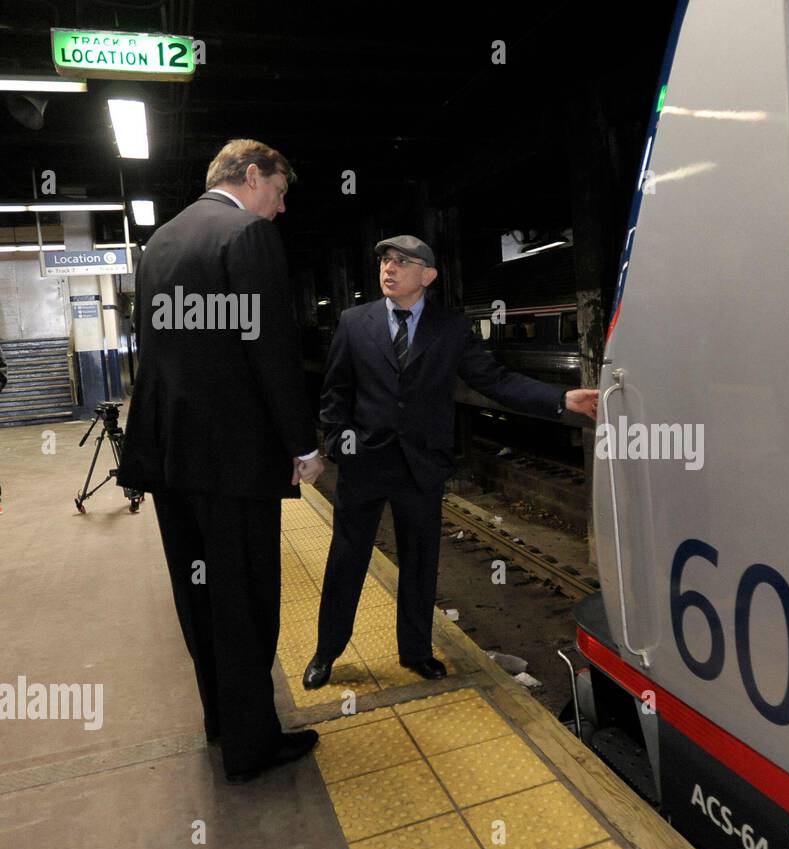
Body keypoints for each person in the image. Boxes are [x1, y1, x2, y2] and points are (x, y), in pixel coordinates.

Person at [116, 139, 325, 783]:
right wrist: (303, 444)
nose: (282, 208)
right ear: (252, 176)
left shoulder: (163, 242)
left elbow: (155, 351)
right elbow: (270, 351)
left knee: (199, 594)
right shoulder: (246, 235)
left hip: (172, 458)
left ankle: (221, 720)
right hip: (234, 465)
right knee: (246, 599)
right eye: (281, 191)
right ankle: (252, 746)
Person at [304, 235, 598, 688]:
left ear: (428, 275)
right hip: (366, 465)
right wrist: (341, 441)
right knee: (347, 558)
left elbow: (494, 380)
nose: (389, 268)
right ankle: (327, 652)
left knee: (421, 562)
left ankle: (416, 651)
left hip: (421, 467)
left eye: (402, 262)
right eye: (385, 260)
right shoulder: (353, 322)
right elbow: (336, 392)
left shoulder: (450, 327)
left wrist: (560, 399)